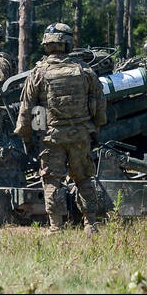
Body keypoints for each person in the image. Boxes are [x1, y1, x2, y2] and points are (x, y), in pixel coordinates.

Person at [14, 23, 111, 233]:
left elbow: (27, 109)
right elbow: (100, 105)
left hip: (52, 137)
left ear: (47, 45)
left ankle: (56, 227)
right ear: (67, 44)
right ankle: (90, 224)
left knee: (52, 180)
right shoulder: (84, 70)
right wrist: (94, 128)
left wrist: (25, 136)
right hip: (80, 135)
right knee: (84, 178)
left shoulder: (38, 73)